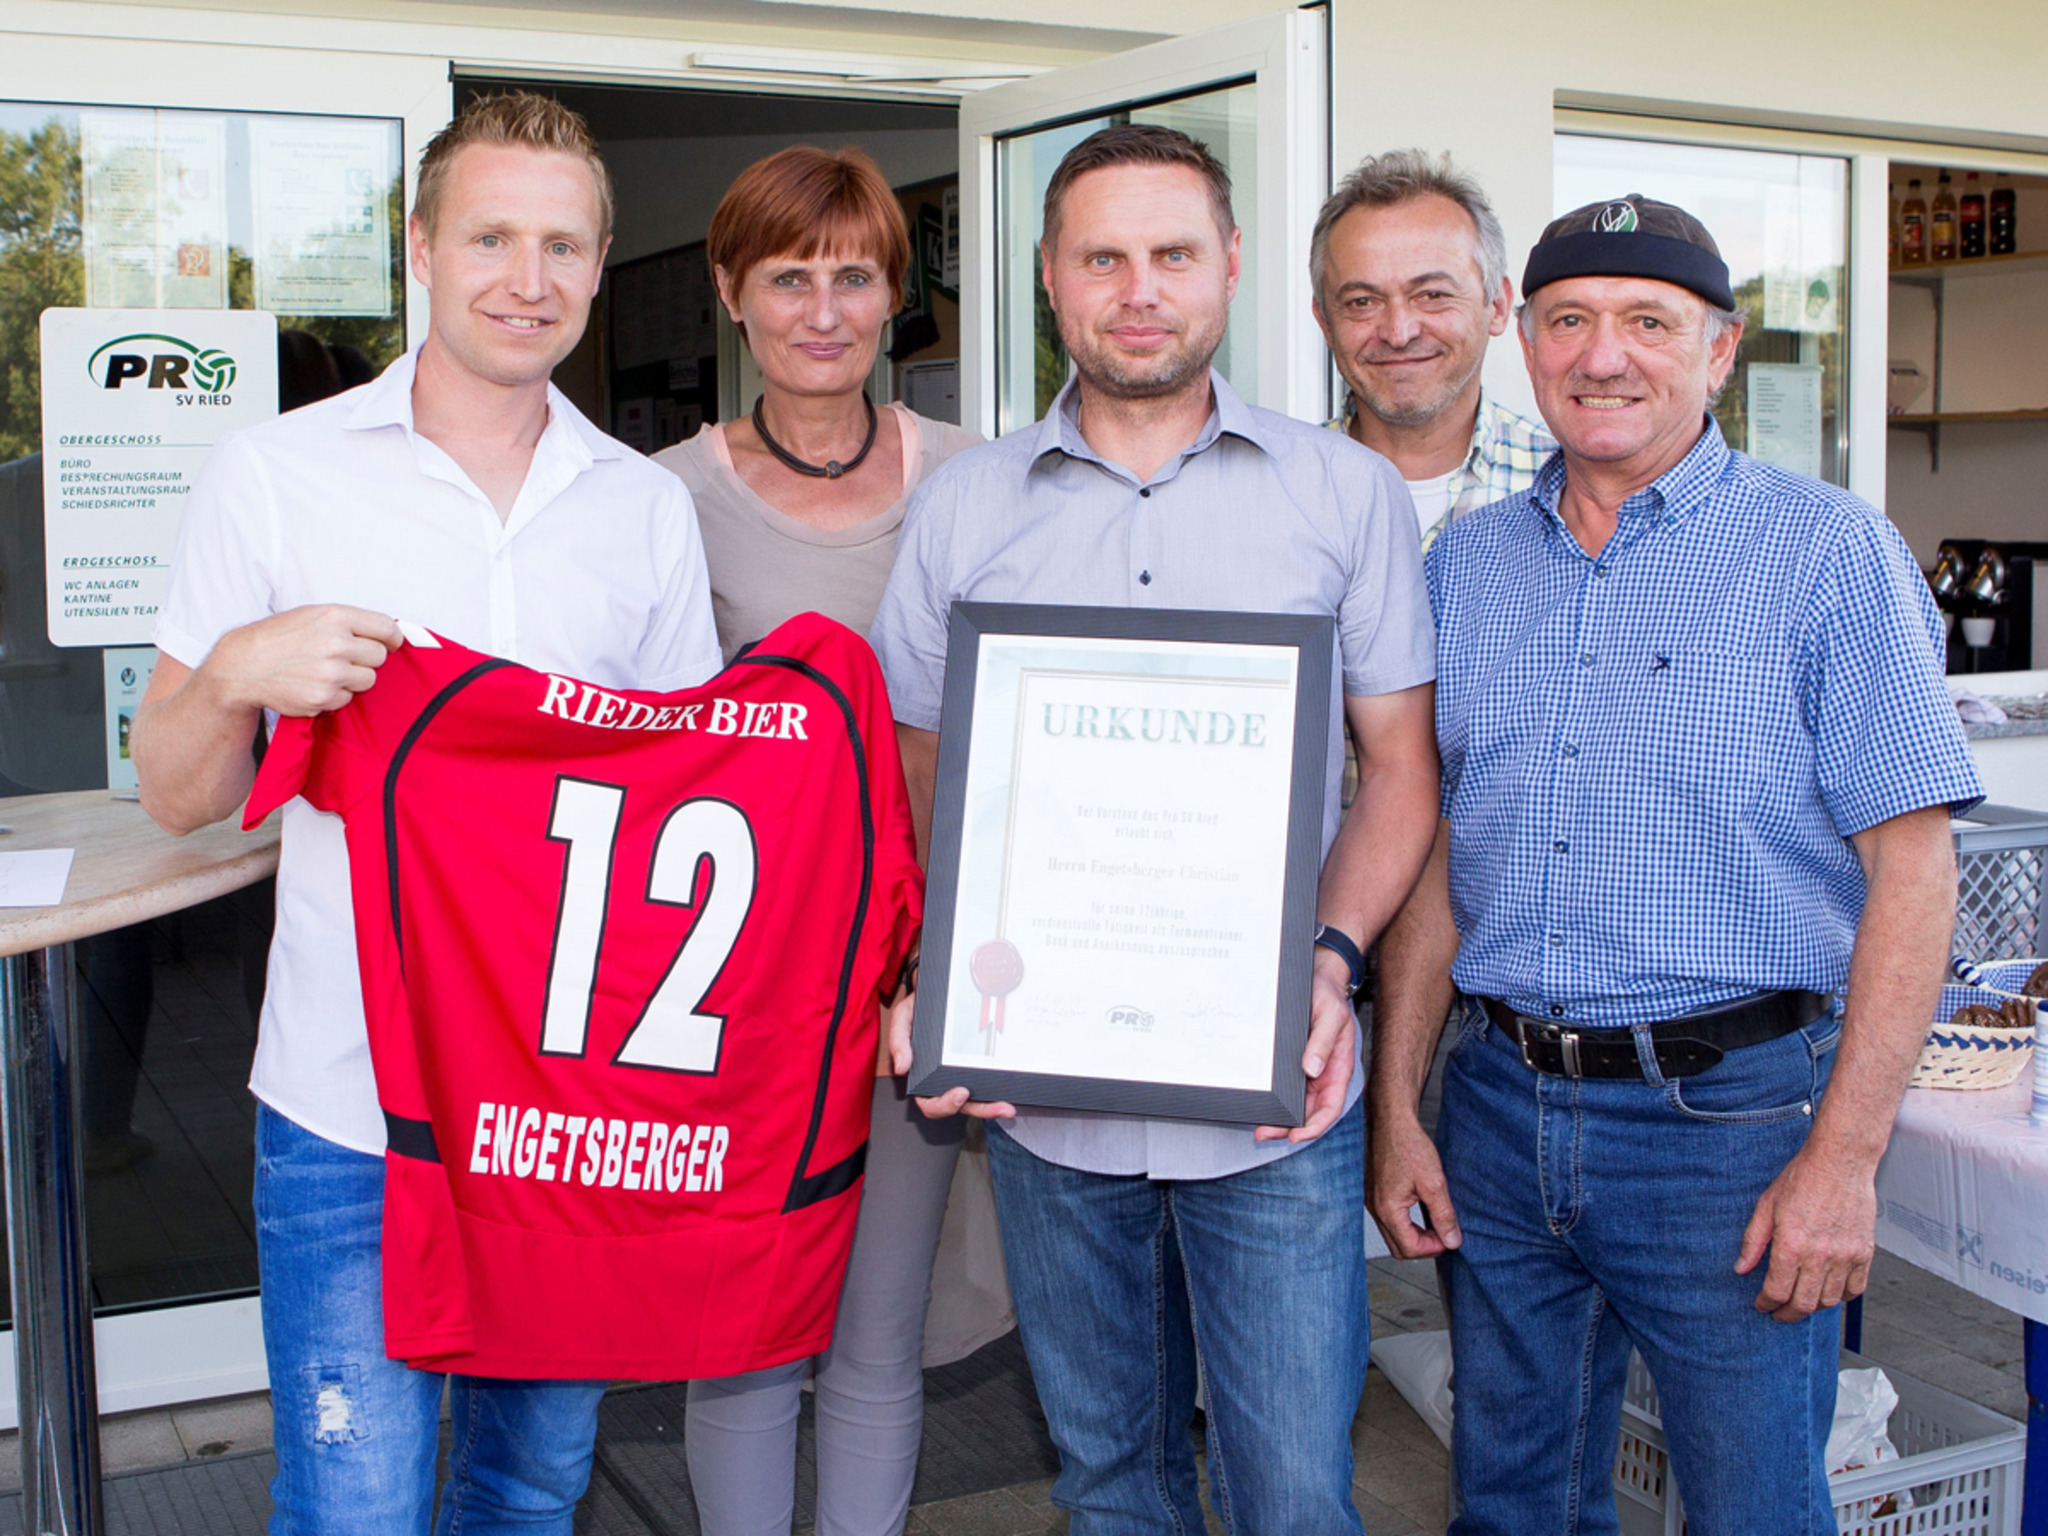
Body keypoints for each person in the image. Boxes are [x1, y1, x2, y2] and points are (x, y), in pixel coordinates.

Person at [131, 90, 721, 1536]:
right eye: (493, 237)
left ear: (598, 267)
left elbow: (684, 806)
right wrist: (236, 675)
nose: (530, 279)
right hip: (350, 1104)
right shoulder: (276, 474)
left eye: (565, 246)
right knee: (353, 1508)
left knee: (529, 1491)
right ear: (420, 248)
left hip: (571, 1110)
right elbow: (175, 796)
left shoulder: (642, 509)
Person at [1369, 194, 1983, 1534]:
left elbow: (1915, 875)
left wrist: (1843, 1162)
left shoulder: (1829, 555)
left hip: (1732, 1129)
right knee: (1514, 1504)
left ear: (1719, 350)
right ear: (1522, 341)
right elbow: (1435, 865)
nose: (1604, 356)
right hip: (1496, 1109)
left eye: (1649, 323)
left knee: (1754, 1510)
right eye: (1570, 320)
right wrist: (1402, 1107)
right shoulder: (1466, 569)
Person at [871, 124, 1440, 1534]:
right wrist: (928, 972)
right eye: (1103, 257)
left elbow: (1404, 776)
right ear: (1054, 283)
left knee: (1296, 1498)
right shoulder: (964, 507)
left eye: (1172, 254)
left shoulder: (1342, 493)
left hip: (1275, 1097)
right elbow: (911, 770)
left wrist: (1326, 956)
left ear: (1230, 271)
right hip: (1046, 1106)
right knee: (1113, 1487)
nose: (1140, 288)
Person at [650, 144, 997, 1536]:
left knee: (877, 1333)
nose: (822, 309)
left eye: (854, 275)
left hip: (915, 984)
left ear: (894, 299)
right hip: (736, 996)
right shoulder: (659, 498)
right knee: (739, 1338)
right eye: (788, 276)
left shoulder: (977, 481)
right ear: (732, 293)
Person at [1311, 149, 1552, 551]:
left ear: (1497, 305)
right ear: (1325, 322)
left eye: (1432, 295)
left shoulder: (1572, 483)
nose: (1398, 332)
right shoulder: (1272, 489)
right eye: (1362, 302)